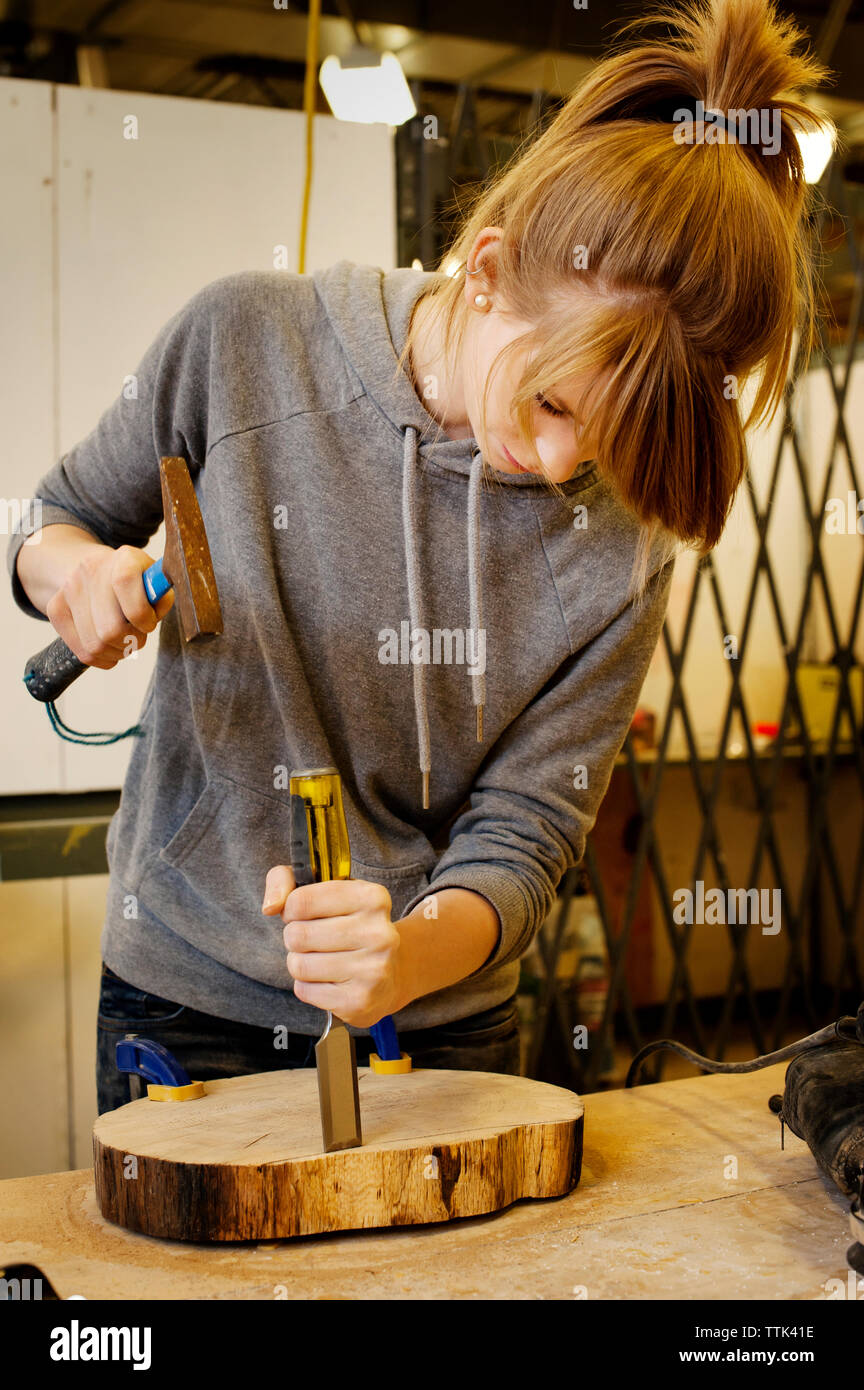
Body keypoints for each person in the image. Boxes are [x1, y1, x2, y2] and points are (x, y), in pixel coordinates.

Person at [7, 0, 831, 1112]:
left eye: (616, 440)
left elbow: (529, 830)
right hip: (179, 1006)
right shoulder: (247, 343)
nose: (560, 462)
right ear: (485, 270)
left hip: (441, 1033)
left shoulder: (625, 538)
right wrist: (73, 576)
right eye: (550, 402)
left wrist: (405, 950)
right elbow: (47, 521)